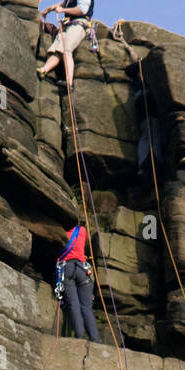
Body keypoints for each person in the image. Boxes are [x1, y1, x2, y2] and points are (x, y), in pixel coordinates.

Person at [111, 24, 164, 185]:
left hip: (141, 100)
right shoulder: (147, 73)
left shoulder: (139, 73)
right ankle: (154, 166)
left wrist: (124, 43)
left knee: (145, 134)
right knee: (153, 133)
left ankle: (144, 167)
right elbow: (137, 61)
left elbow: (135, 59)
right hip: (148, 100)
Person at [38, 0, 94, 91]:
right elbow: (63, 3)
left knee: (67, 49)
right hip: (69, 26)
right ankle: (43, 70)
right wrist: (48, 10)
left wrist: (62, 9)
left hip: (79, 25)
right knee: (57, 49)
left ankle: (69, 83)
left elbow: (82, 9)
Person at [55, 223, 100, 343]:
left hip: (67, 268)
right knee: (86, 308)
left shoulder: (62, 232)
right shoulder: (82, 231)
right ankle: (95, 339)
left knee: (74, 305)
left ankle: (79, 336)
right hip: (82, 269)